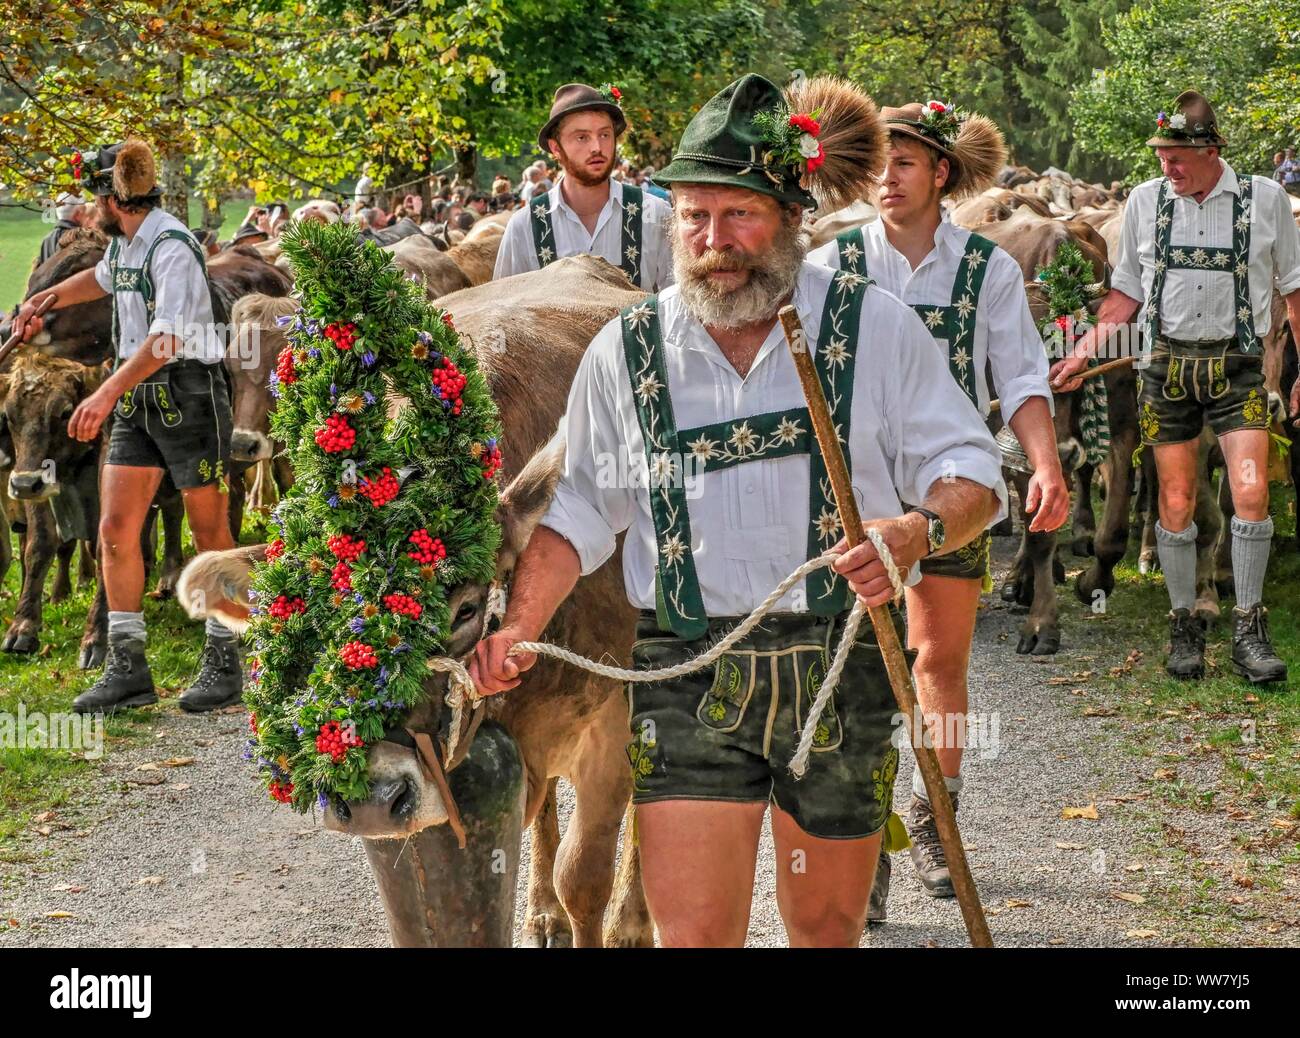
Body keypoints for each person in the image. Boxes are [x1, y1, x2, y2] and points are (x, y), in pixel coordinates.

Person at [468, 74, 1006, 947]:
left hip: (840, 662)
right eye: (693, 217)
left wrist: (916, 530)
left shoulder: (874, 328)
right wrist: (519, 628)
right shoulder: (628, 351)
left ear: (792, 216)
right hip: (688, 670)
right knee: (695, 934)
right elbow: (575, 515)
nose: (714, 242)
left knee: (826, 929)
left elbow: (971, 467)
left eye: (740, 215)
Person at [805, 98, 1069, 921]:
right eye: (880, 162)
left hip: (950, 494)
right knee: (852, 667)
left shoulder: (986, 269)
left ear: (941, 173)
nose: (888, 177)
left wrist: (1048, 464)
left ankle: (931, 813)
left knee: (937, 662)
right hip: (850, 497)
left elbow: (1021, 377)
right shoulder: (834, 261)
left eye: (907, 162)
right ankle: (860, 831)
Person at [1052, 90, 1300, 685]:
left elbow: (1294, 294)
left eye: (1177, 156)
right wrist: (1082, 351)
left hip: (1237, 369)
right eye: (1161, 155)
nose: (1167, 166)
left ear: (1212, 150)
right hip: (1165, 370)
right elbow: (1125, 297)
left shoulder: (1264, 201)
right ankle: (1184, 624)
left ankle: (1248, 629)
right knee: (1176, 502)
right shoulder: (1144, 201)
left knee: (1250, 493)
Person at [12, 139, 243, 713]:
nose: (90, 212)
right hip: (139, 401)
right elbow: (102, 277)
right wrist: (48, 296)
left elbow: (166, 339)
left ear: (116, 199)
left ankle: (227, 660)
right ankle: (128, 667)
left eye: (96, 199)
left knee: (209, 533)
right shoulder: (130, 245)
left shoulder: (173, 247)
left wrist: (105, 393)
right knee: (115, 529)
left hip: (188, 395)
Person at [494, 83, 673, 291]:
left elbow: (681, 306)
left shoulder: (656, 214)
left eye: (605, 135)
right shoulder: (523, 227)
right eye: (582, 137)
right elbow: (502, 309)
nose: (597, 147)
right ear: (555, 148)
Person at [38, 192, 89, 266]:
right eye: (85, 212)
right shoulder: (79, 238)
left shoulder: (47, 240)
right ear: (78, 214)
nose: (86, 216)